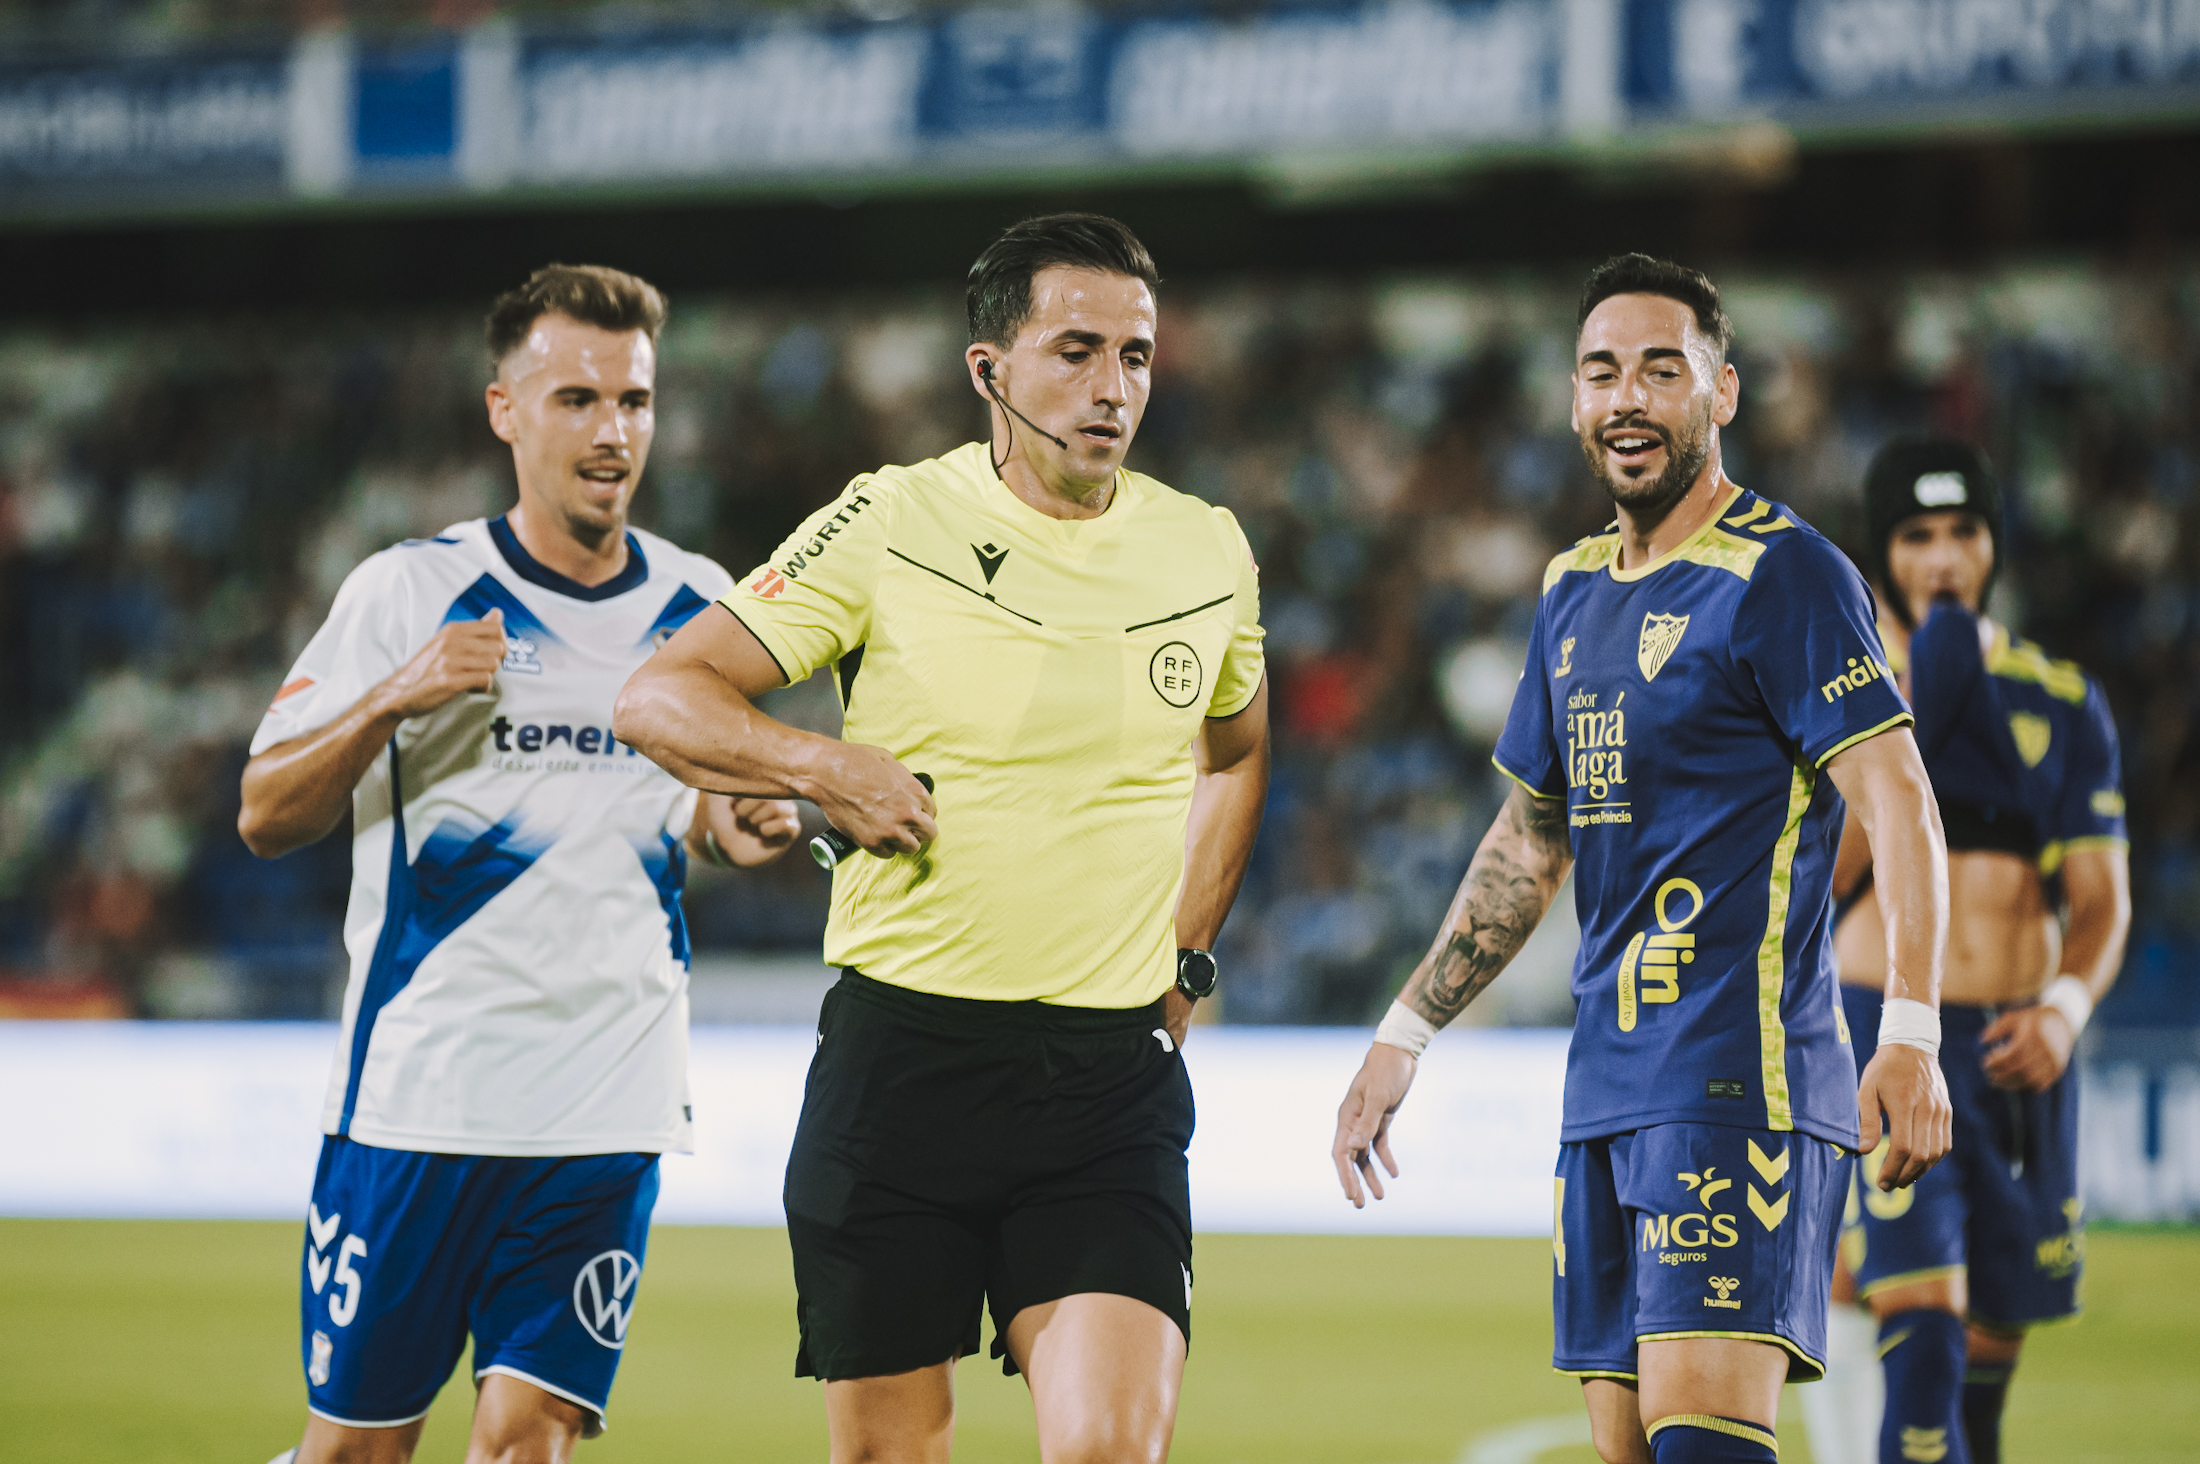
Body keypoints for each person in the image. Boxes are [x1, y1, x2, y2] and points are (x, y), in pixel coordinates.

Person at [613, 212, 1268, 1464]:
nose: (1112, 387)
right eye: (1074, 351)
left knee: (1108, 1450)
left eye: (1134, 355)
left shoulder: (1206, 548)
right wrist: (823, 767)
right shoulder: (889, 518)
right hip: (902, 1070)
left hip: (1105, 1086)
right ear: (989, 369)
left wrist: (1186, 957)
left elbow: (1234, 759)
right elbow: (658, 697)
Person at [1330, 253, 1956, 1464]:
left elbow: (1899, 799)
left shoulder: (1784, 572)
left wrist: (1912, 1032)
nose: (1627, 397)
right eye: (1602, 371)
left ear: (1722, 392)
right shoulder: (1570, 590)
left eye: (1662, 371)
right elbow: (1531, 837)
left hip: (1739, 1083)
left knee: (1703, 1443)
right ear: (1573, 400)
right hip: (1603, 1093)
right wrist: (1406, 1029)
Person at [238, 264, 802, 1464]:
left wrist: (736, 826)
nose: (612, 431)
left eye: (634, 401)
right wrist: (393, 696)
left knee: (523, 1443)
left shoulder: (702, 604)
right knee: (357, 1452)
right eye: (576, 399)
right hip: (423, 1098)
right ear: (505, 409)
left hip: (609, 1099)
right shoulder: (410, 591)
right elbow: (265, 814)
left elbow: (701, 814)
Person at [1807, 440, 2130, 1464]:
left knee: (1986, 1364)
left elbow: (2100, 900)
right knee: (1926, 1341)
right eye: (1916, 537)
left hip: (2019, 1053)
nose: (1942, 558)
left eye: (1963, 532)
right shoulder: (1840, 699)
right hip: (1888, 1029)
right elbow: (1820, 881)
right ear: (1883, 554)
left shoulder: (2062, 700)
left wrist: (2064, 1012)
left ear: (1993, 544)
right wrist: (1905, 708)